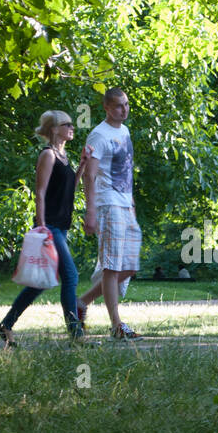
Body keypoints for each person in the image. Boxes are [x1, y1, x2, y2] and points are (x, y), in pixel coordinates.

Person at [0, 111, 82, 346]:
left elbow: (71, 186)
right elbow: (40, 192)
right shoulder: (48, 155)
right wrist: (42, 226)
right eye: (67, 124)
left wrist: (82, 164)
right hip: (50, 225)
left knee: (39, 283)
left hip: (61, 226)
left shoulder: (64, 156)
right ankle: (76, 335)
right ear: (54, 129)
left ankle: (5, 326)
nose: (72, 127)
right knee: (71, 276)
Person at [76, 88, 141, 339]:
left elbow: (126, 170)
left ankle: (81, 303)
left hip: (125, 203)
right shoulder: (99, 135)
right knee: (113, 266)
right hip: (107, 203)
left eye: (125, 104)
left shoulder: (124, 131)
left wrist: (132, 201)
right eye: (117, 106)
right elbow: (89, 176)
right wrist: (90, 211)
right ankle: (117, 326)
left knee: (130, 265)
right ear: (106, 108)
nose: (123, 110)